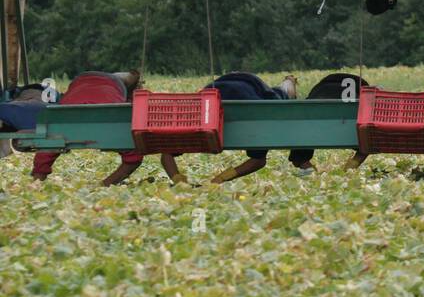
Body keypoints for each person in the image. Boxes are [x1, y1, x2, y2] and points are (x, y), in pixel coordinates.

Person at [22, 70, 172, 186]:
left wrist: (38, 177)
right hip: (109, 108)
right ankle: (106, 184)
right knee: (133, 157)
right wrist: (103, 186)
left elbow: (47, 148)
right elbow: (133, 160)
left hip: (72, 107)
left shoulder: (63, 114)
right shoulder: (116, 103)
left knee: (53, 136)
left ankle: (36, 183)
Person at [164, 72, 298, 185]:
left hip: (250, 86)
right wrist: (179, 182)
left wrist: (221, 179)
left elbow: (259, 160)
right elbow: (167, 153)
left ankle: (288, 85)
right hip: (220, 85)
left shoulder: (254, 117)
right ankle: (286, 86)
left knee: (279, 98)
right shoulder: (195, 121)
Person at [288, 72, 369, 173]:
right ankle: (349, 169)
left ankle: (310, 172)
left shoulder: (318, 93)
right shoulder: (358, 94)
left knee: (299, 157)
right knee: (366, 145)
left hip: (314, 125)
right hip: (349, 130)